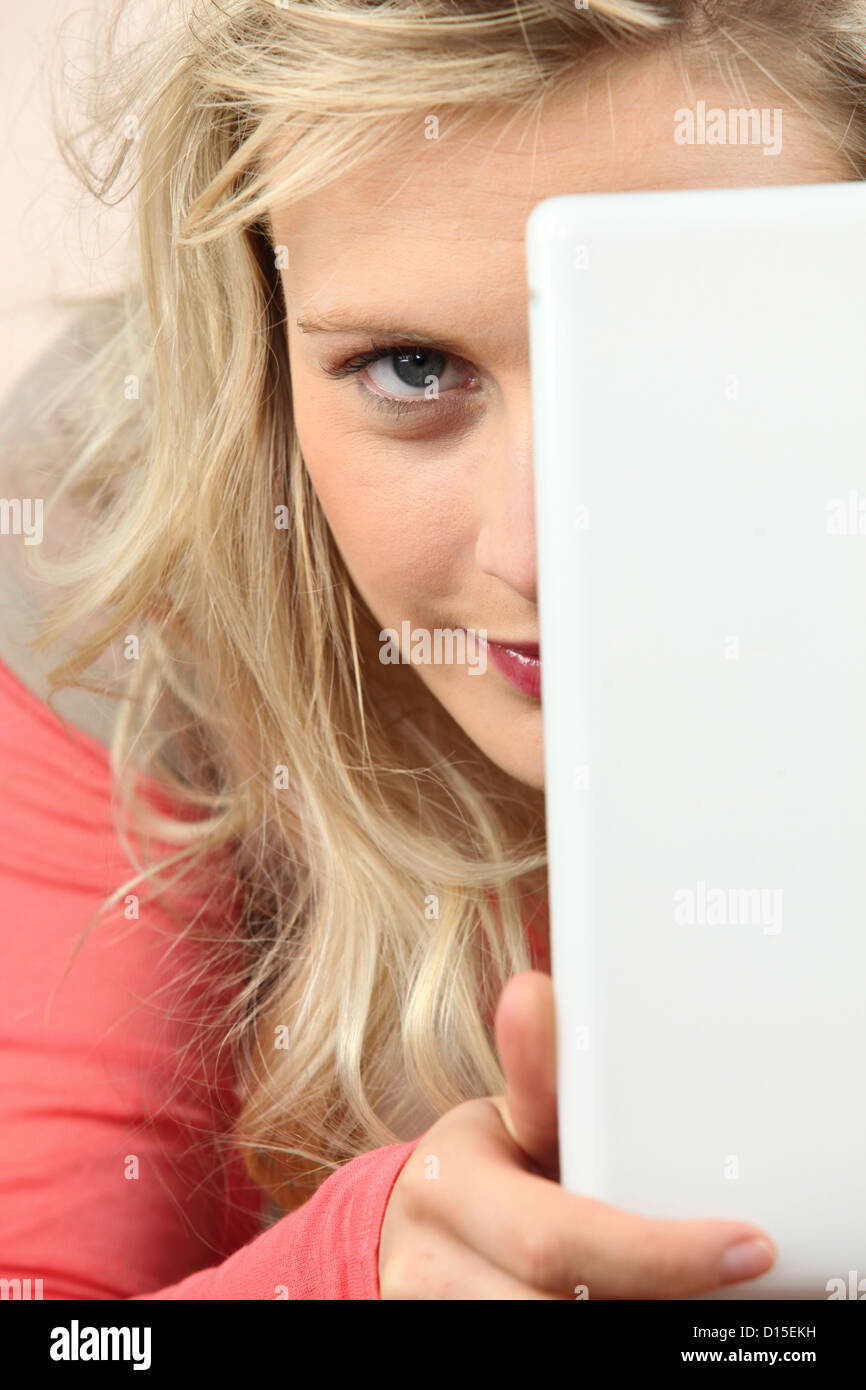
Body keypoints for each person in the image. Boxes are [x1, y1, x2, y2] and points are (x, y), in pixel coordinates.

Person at [0, 0, 857, 1300]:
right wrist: (358, 1271)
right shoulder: (120, 531)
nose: (535, 551)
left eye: (685, 362)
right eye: (408, 368)